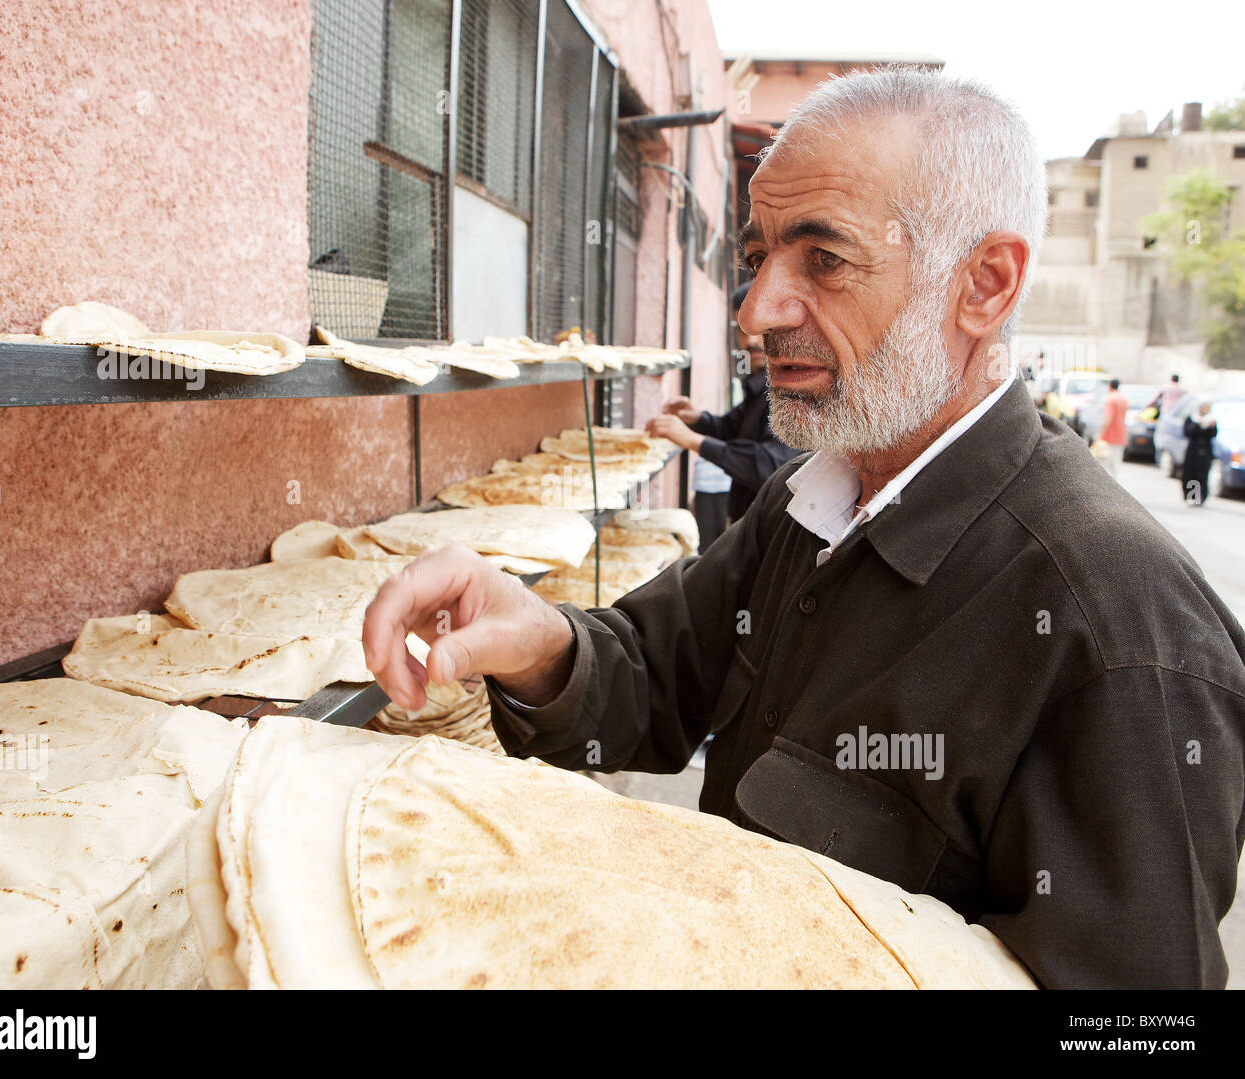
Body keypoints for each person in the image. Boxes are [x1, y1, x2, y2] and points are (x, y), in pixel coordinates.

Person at [363, 68, 1245, 989]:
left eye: (823, 260)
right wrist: (539, 640)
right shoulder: (808, 501)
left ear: (984, 286)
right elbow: (653, 678)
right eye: (756, 261)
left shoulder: (1122, 638)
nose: (755, 314)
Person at [645, 282, 799, 525]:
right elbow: (734, 426)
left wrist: (693, 441)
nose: (749, 340)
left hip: (774, 529)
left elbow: (771, 464)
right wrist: (697, 419)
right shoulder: (759, 383)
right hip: (748, 523)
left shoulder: (794, 389)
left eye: (761, 328)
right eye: (742, 328)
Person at [1182, 401, 1218, 506]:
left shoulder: (1211, 420)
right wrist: (1197, 423)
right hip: (1193, 450)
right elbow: (1187, 432)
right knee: (1191, 473)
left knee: (1202, 474)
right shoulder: (1192, 418)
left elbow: (1214, 434)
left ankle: (1200, 497)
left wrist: (1210, 426)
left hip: (1205, 451)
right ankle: (1190, 496)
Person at [1095, 377, 1128, 482]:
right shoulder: (1123, 399)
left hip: (1109, 436)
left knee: (1105, 464)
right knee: (1115, 464)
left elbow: (1107, 418)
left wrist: (1100, 435)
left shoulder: (1110, 399)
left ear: (1110, 386)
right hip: (1121, 435)